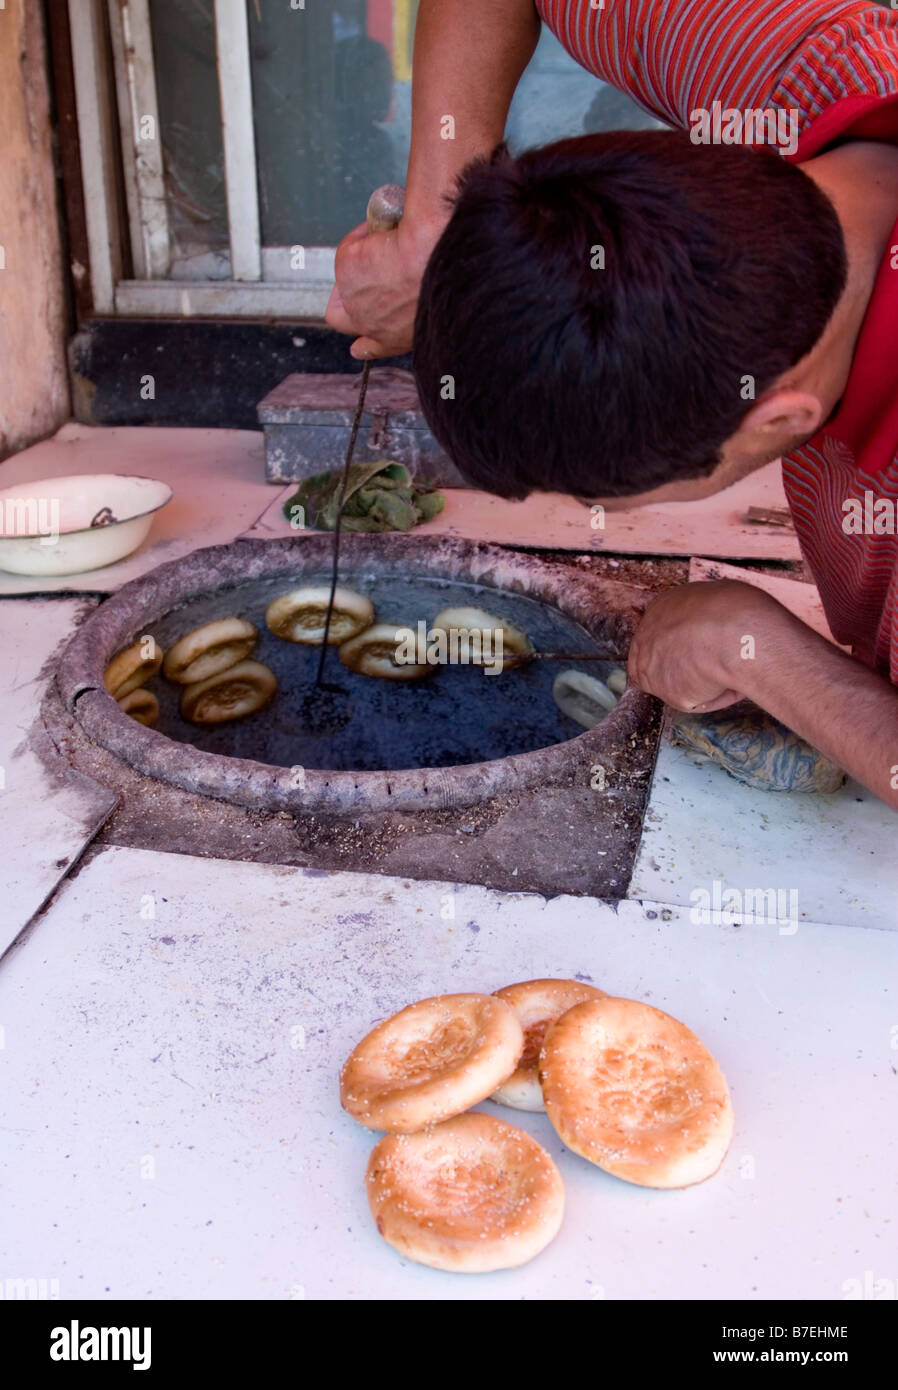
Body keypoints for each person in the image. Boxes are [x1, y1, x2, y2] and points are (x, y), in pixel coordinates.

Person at [327, 0, 898, 808]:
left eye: (601, 497)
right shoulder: (796, 68)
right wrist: (432, 229)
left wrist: (755, 646)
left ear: (776, 418)